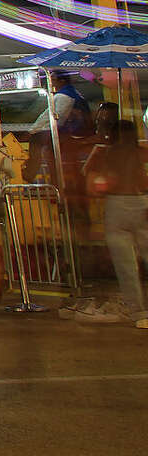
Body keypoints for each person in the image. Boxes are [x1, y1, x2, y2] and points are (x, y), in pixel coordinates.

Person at [72, 105, 148, 327]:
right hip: (143, 204)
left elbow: (93, 186)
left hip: (117, 207)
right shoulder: (143, 152)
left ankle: (140, 313)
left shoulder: (103, 154)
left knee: (126, 265)